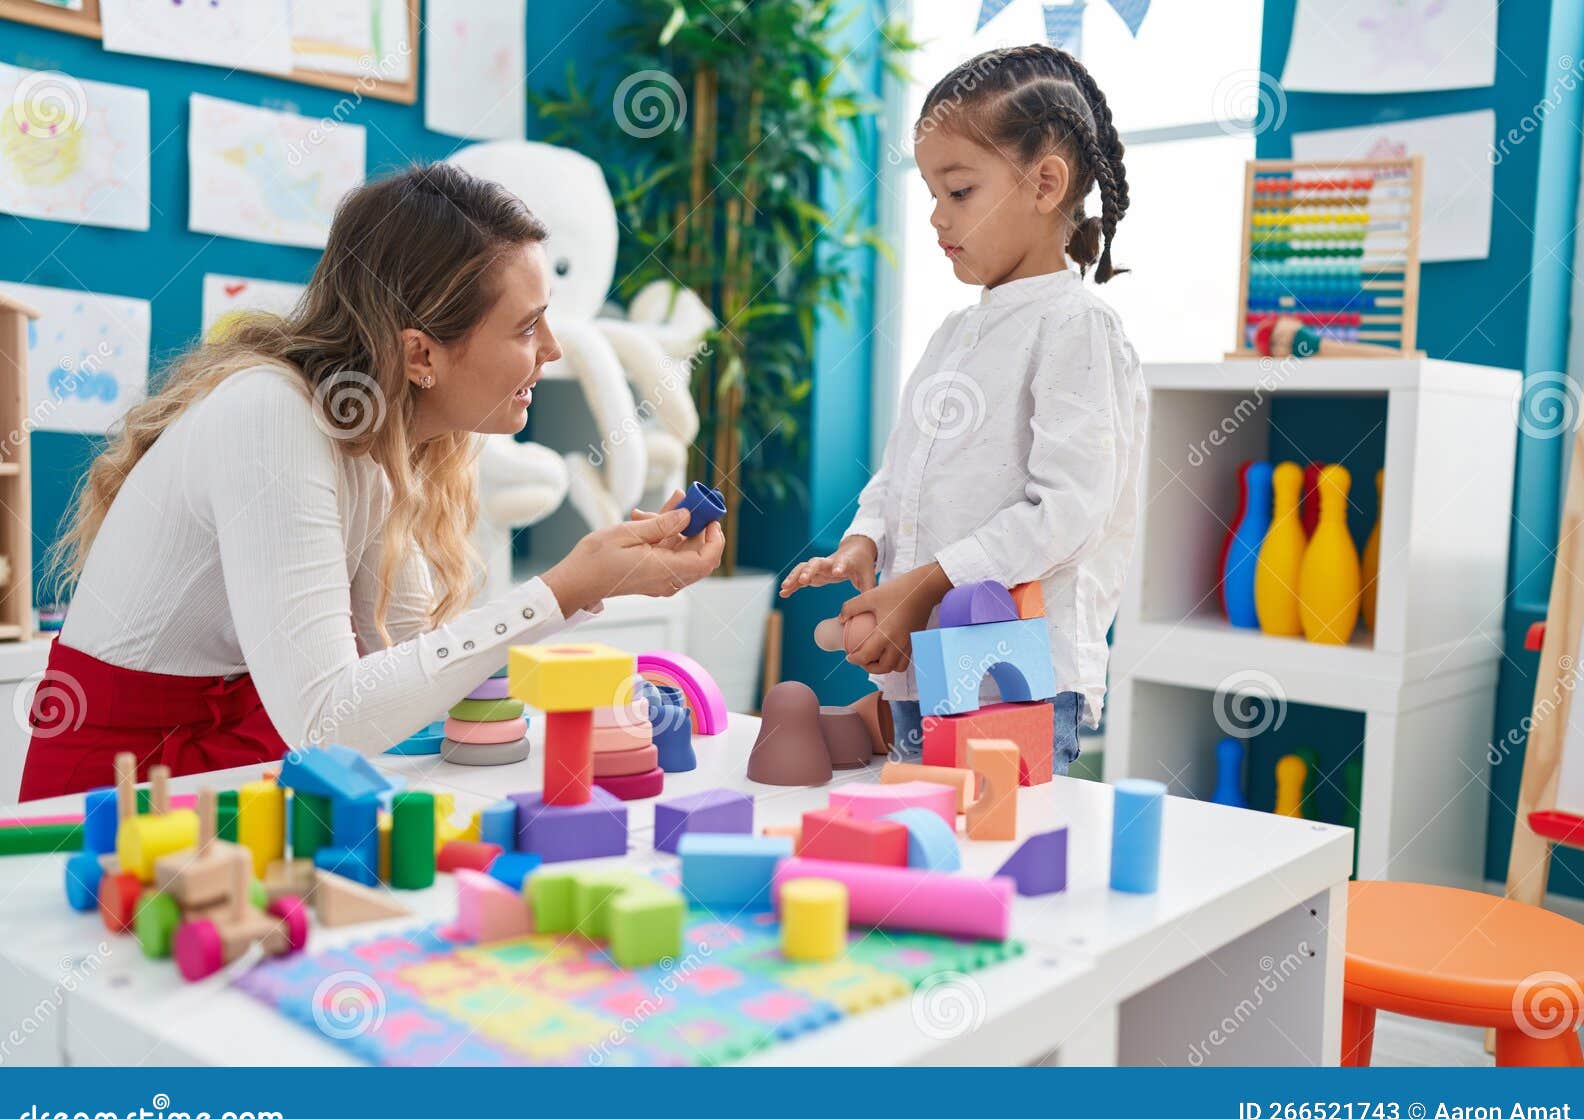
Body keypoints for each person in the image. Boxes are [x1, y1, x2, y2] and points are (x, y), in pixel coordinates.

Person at [20, 164, 722, 801]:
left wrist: (592, 583)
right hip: (114, 794)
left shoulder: (373, 442)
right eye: (528, 325)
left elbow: (416, 666)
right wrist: (570, 584)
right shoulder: (273, 414)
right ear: (421, 353)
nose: (554, 349)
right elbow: (332, 717)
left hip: (236, 774)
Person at [779, 44, 1147, 776]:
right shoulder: (957, 333)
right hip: (928, 669)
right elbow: (902, 467)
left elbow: (1068, 509)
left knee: (995, 857)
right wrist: (865, 540)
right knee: (933, 861)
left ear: (1045, 184)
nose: (935, 217)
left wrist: (925, 586)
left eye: (959, 192)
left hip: (1016, 675)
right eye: (930, 193)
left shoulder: (1076, 327)